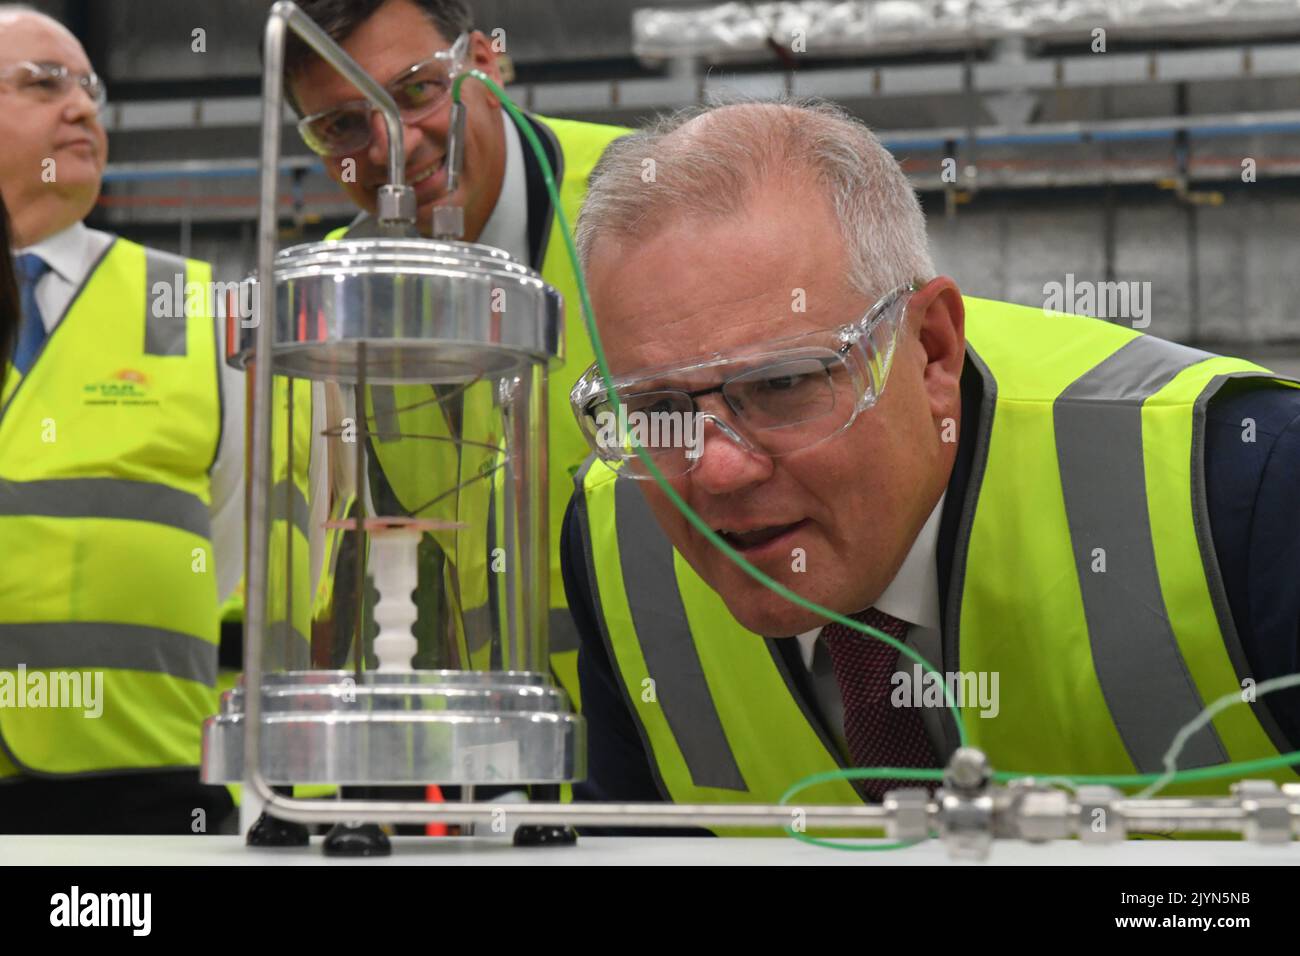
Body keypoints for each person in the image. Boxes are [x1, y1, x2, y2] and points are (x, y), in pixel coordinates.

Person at [560, 99, 1300, 822]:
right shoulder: (616, 540)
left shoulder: (1244, 485)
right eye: (656, 410)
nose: (716, 471)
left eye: (781, 384)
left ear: (932, 351)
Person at [280, 0, 628, 705]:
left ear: (486, 63)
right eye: (342, 125)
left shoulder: (655, 199)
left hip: (722, 786)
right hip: (505, 772)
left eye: (416, 91)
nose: (393, 147)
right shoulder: (337, 302)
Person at [0, 5, 243, 834]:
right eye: (43, 83)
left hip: (148, 786)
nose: (82, 107)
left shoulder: (205, 308)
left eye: (90, 87)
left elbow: (238, 543)